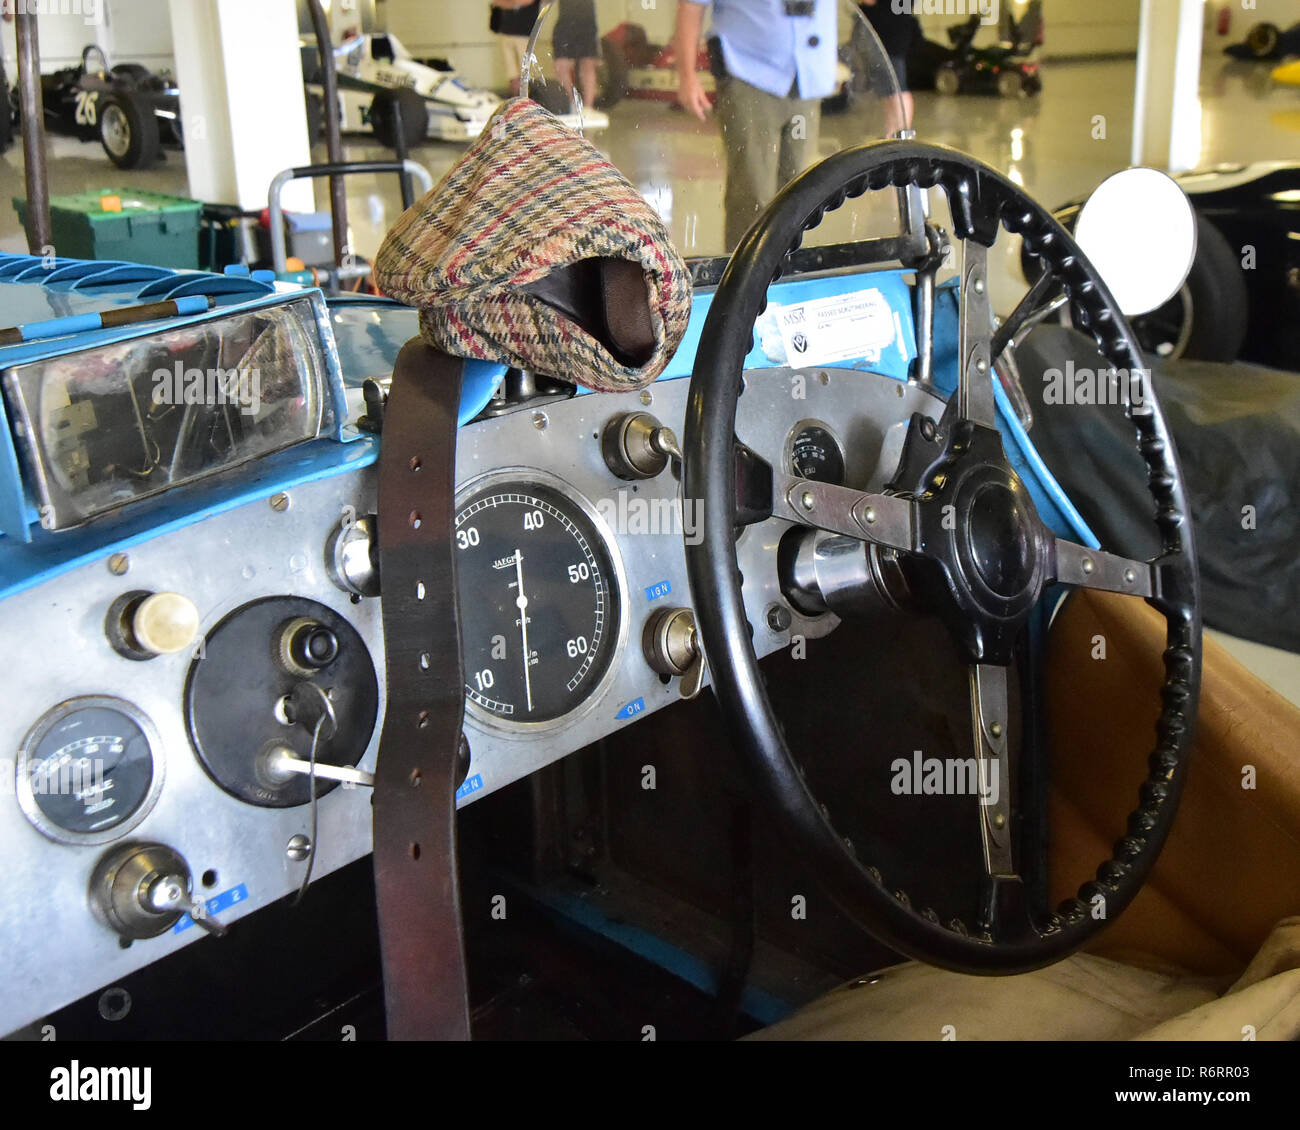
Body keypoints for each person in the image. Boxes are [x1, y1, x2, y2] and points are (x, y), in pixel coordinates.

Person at [674, 0, 840, 249]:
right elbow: (691, 5)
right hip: (748, 75)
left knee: (799, 191)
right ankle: (746, 281)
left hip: (808, 78)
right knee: (753, 192)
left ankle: (785, 271)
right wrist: (686, 76)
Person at [858, 0, 918, 135]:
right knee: (889, 91)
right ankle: (892, 131)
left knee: (897, 90)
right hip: (889, 35)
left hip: (890, 37)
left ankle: (902, 131)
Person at [552, 0, 600, 111]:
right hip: (565, 21)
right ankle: (571, 105)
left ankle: (588, 108)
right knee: (560, 65)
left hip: (586, 21)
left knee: (587, 64)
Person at [489, 0, 541, 95]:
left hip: (525, 34)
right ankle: (516, 100)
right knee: (512, 75)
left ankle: (527, 99)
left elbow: (525, 1)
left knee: (526, 73)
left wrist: (510, 3)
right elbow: (497, 2)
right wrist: (514, 4)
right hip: (506, 32)